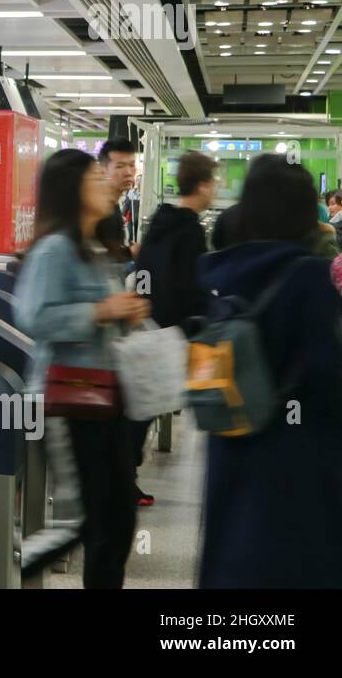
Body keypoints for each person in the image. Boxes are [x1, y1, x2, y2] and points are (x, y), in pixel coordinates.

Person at [195, 153, 342, 587]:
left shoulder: (221, 272)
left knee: (235, 550)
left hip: (232, 441)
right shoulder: (310, 276)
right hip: (298, 451)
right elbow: (322, 374)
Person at [14, 148, 149, 589]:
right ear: (73, 191)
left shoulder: (92, 248)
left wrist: (120, 314)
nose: (107, 183)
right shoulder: (55, 249)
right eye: (96, 177)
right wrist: (100, 310)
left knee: (115, 520)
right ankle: (0, 573)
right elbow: (34, 316)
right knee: (87, 523)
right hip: (68, 400)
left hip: (105, 399)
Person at [132, 150, 217, 507]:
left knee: (142, 409)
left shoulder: (160, 221)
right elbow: (191, 285)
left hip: (147, 326)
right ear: (201, 185)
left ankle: (125, 477)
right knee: (144, 410)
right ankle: (123, 481)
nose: (216, 189)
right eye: (213, 182)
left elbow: (146, 272)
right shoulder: (190, 231)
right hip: (173, 332)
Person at [98, 138, 138, 255]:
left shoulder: (114, 205)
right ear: (103, 170)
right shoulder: (98, 210)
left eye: (132, 165)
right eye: (120, 166)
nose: (129, 172)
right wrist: (129, 252)